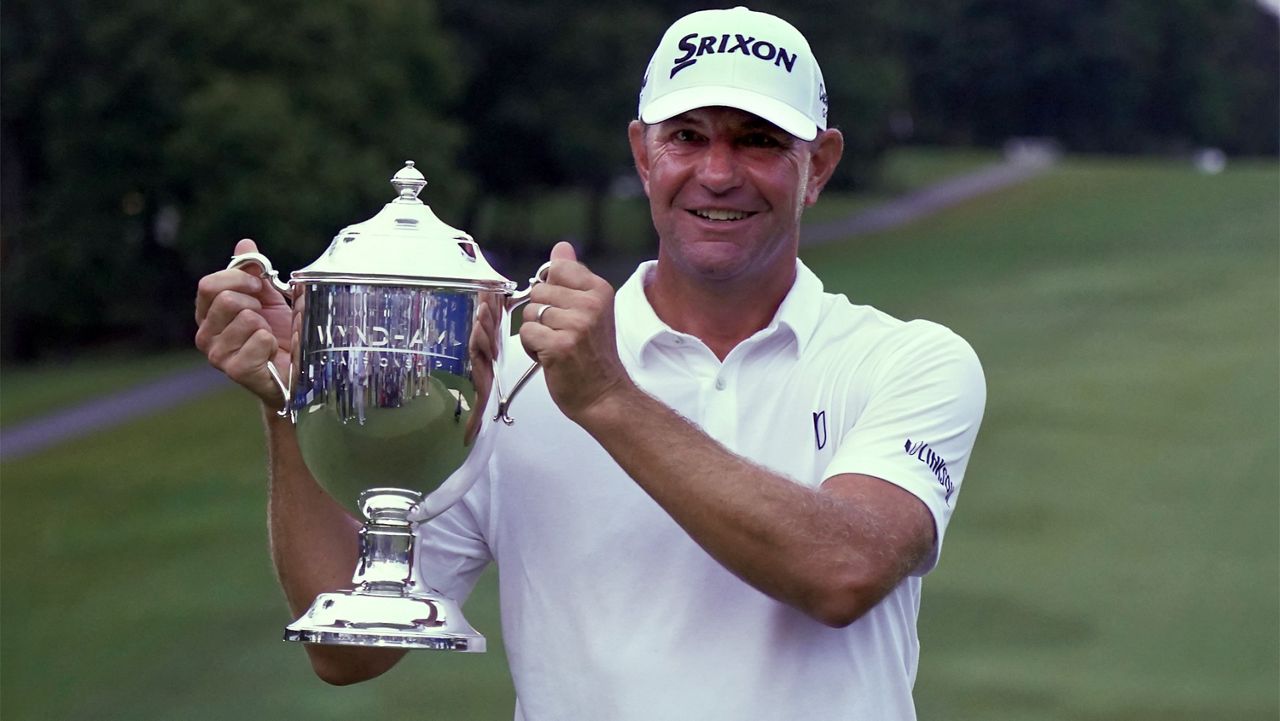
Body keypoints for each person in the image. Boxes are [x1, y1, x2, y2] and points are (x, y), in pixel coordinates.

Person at [194, 7, 985, 720]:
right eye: (687, 136)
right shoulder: (510, 367)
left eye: (758, 140)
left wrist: (607, 395)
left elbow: (844, 570)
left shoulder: (909, 361)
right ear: (643, 153)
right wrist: (291, 400)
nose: (717, 172)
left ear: (821, 164)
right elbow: (348, 647)